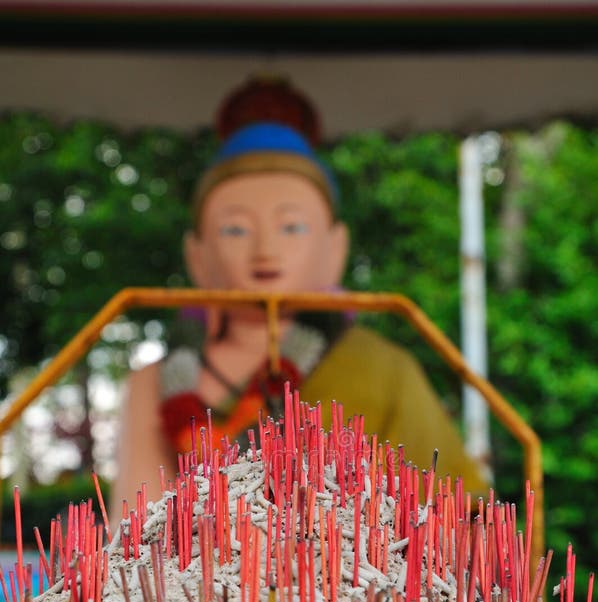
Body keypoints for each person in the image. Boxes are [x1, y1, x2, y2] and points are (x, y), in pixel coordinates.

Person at [112, 76, 487, 515]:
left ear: (335, 248)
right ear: (197, 255)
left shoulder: (384, 369)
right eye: (235, 229)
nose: (265, 250)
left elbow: (458, 514)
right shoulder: (156, 382)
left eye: (291, 226)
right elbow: (133, 527)